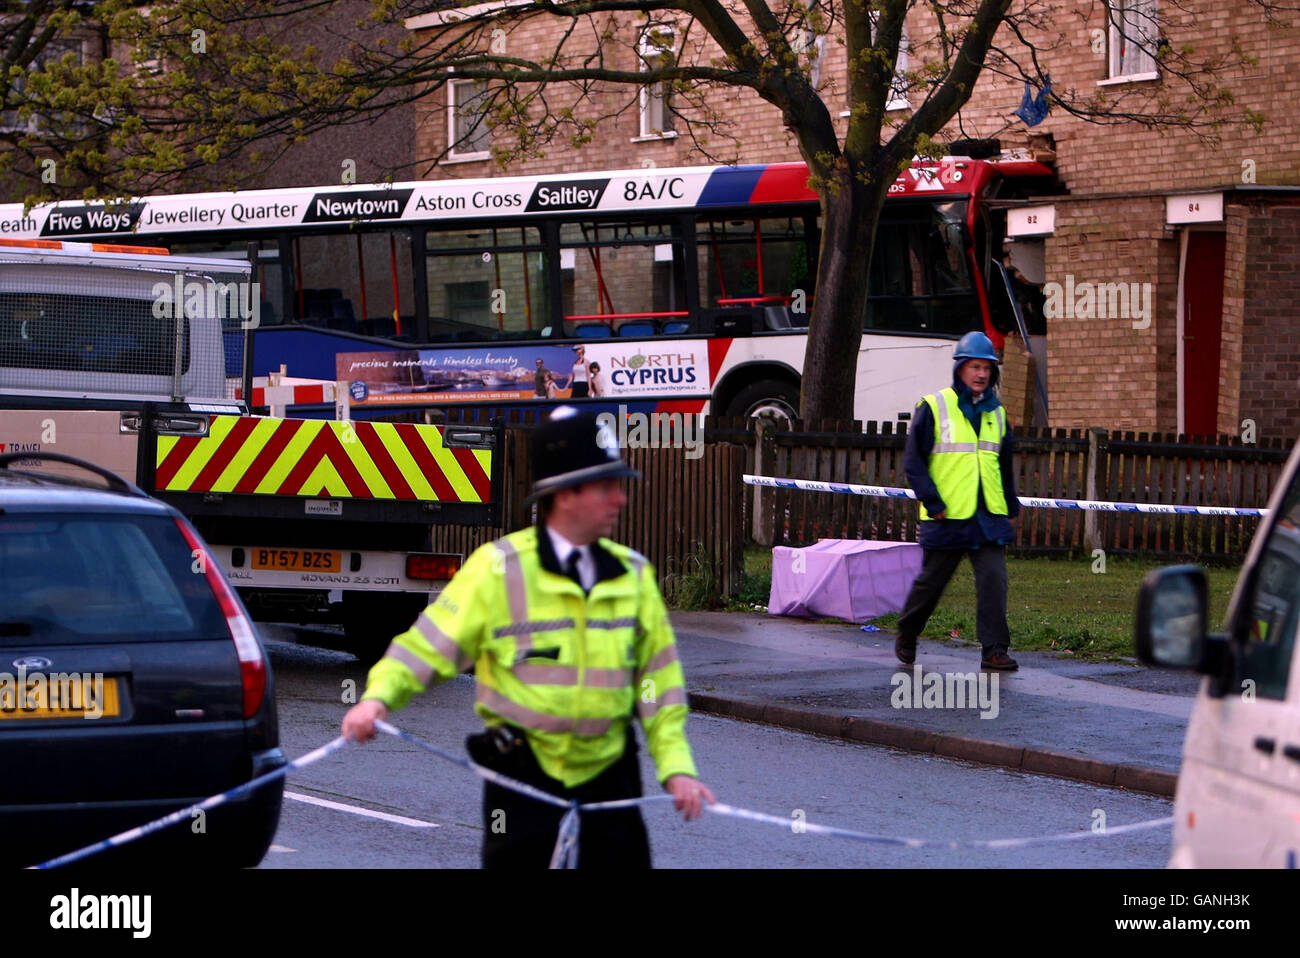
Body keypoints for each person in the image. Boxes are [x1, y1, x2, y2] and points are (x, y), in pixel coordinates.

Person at [342, 406, 715, 868]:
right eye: (607, 486)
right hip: (520, 776)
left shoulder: (633, 576)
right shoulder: (497, 569)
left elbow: (659, 687)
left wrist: (676, 769)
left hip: (610, 775)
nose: (620, 498)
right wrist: (376, 701)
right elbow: (428, 646)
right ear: (566, 493)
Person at [895, 331, 1021, 671]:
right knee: (931, 584)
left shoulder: (999, 415)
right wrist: (932, 502)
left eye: (987, 368)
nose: (981, 374)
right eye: (975, 367)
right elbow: (914, 462)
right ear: (961, 369)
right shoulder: (934, 407)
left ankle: (994, 650)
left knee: (994, 581)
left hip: (988, 516)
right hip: (946, 515)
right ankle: (908, 630)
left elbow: (1004, 467)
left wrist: (1011, 508)